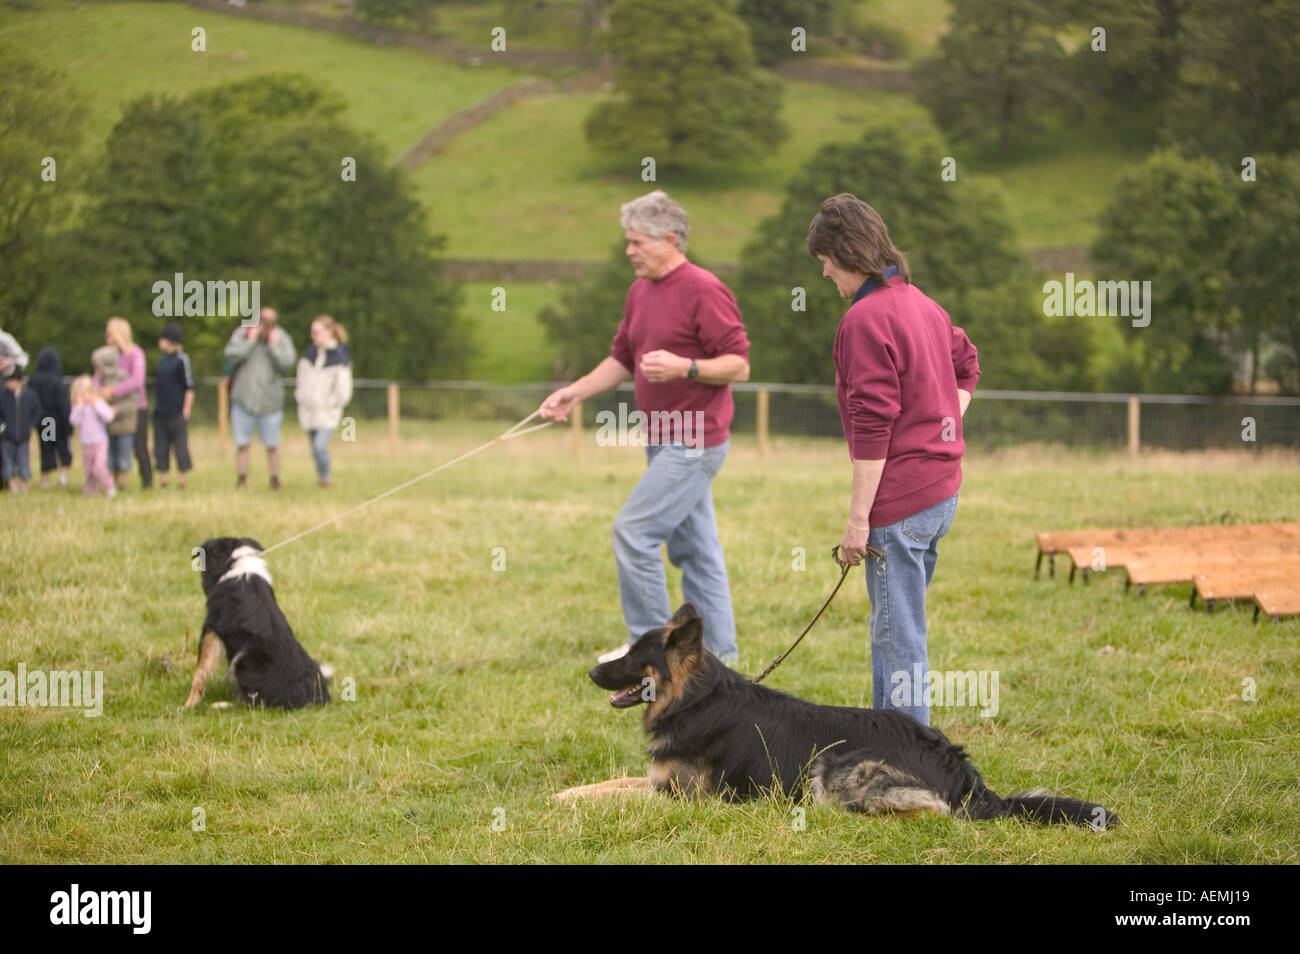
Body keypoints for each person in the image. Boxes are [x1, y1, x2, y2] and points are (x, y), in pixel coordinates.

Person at [539, 190, 750, 666]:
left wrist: (685, 367)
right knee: (697, 554)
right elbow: (623, 358)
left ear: (669, 239)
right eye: (627, 241)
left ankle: (653, 652)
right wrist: (575, 392)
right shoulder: (639, 292)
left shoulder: (705, 289)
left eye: (636, 242)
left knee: (633, 532)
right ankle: (720, 658)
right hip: (659, 439)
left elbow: (738, 365)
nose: (628, 250)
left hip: (695, 441)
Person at [808, 193, 979, 727]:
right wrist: (940, 423)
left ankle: (912, 764)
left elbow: (873, 426)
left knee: (898, 634)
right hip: (940, 494)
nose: (826, 274)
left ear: (846, 253)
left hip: (900, 506)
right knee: (894, 624)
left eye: (826, 262)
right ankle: (889, 743)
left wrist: (858, 520)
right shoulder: (923, 304)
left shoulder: (864, 321)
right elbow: (966, 366)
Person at [225, 307, 296, 490]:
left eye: (270, 324)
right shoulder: (243, 334)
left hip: (270, 402)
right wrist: (250, 342)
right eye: (263, 323)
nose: (266, 328)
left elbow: (288, 363)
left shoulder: (281, 337)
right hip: (243, 399)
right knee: (242, 443)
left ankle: (274, 479)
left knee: (272, 444)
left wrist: (273, 348)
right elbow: (230, 357)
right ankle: (241, 479)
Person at [295, 314, 353, 489]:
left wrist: (332, 404)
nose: (313, 336)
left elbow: (343, 389)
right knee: (314, 448)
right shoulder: (310, 354)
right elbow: (302, 380)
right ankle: (321, 477)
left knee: (320, 446)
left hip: (327, 412)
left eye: (316, 332)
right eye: (312, 332)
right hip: (308, 410)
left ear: (328, 332)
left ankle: (325, 478)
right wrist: (301, 397)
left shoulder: (339, 357)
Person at [95, 317, 149, 490]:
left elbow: (137, 380)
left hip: (134, 407)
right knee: (111, 446)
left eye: (109, 332)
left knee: (139, 446)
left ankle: (147, 481)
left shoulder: (136, 354)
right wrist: (97, 393)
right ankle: (114, 483)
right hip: (109, 408)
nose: (106, 336)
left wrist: (112, 390)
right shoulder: (107, 356)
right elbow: (98, 376)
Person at [154, 322, 195, 490]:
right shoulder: (162, 361)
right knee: (161, 448)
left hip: (177, 413)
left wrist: (186, 410)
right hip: (161, 412)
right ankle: (164, 481)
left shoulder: (182, 360)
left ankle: (181, 481)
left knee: (180, 448)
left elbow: (189, 387)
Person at [92, 343, 137, 490]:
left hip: (124, 425)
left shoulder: (123, 378)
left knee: (123, 456)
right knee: (108, 457)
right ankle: (110, 483)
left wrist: (117, 409)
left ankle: (122, 483)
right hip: (106, 428)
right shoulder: (100, 381)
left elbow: (132, 401)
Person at [28, 347, 72, 489]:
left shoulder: (33, 381)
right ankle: (63, 475)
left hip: (42, 420)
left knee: (46, 448)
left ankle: (45, 479)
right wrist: (68, 424)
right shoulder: (56, 380)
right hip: (56, 420)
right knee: (61, 446)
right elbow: (63, 403)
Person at [68, 375, 116, 497]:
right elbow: (74, 421)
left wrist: (96, 406)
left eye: (85, 392)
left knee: (98, 467)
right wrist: (79, 407)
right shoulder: (78, 407)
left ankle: (109, 486)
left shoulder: (97, 403)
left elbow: (109, 416)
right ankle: (90, 490)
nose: (84, 396)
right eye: (80, 393)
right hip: (85, 443)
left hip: (99, 441)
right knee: (89, 471)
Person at [1, 367, 42, 493]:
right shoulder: (3, 396)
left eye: (11, 381)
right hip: (7, 437)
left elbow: (37, 412)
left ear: (19, 381)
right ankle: (13, 487)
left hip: (24, 437)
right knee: (8, 463)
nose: (8, 384)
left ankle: (24, 487)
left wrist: (31, 425)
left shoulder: (29, 395)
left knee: (24, 462)